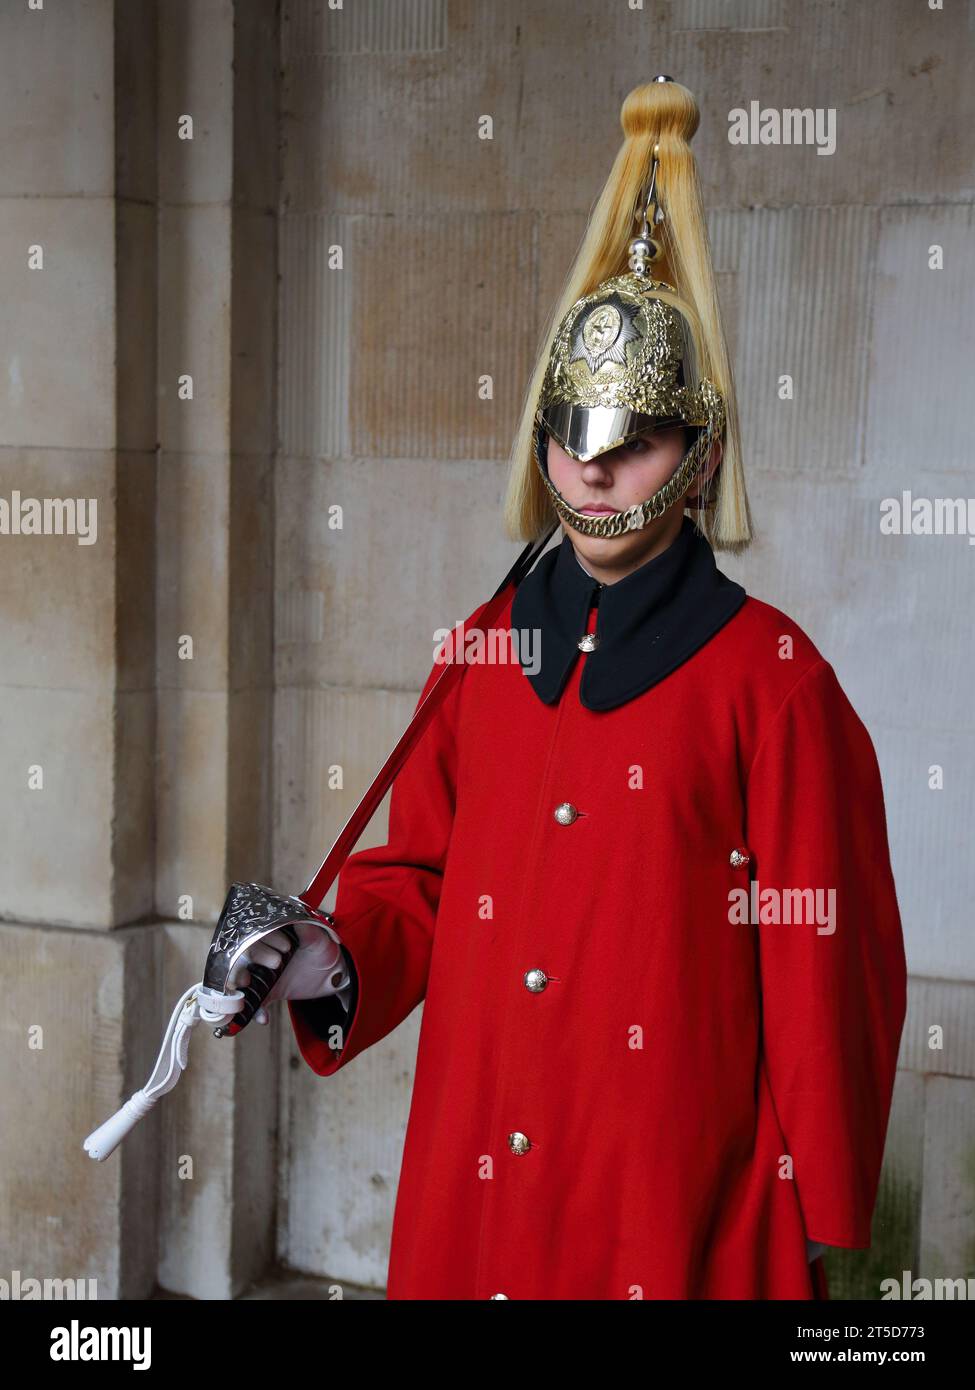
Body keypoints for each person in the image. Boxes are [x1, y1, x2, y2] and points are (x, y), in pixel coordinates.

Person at [224, 78, 907, 1300]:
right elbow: (418, 884)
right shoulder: (481, 647)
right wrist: (319, 954)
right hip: (472, 1182)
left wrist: (809, 1204)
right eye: (570, 437)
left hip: (674, 1196)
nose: (593, 474)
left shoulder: (779, 683)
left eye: (632, 442)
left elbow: (824, 959)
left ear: (696, 461)